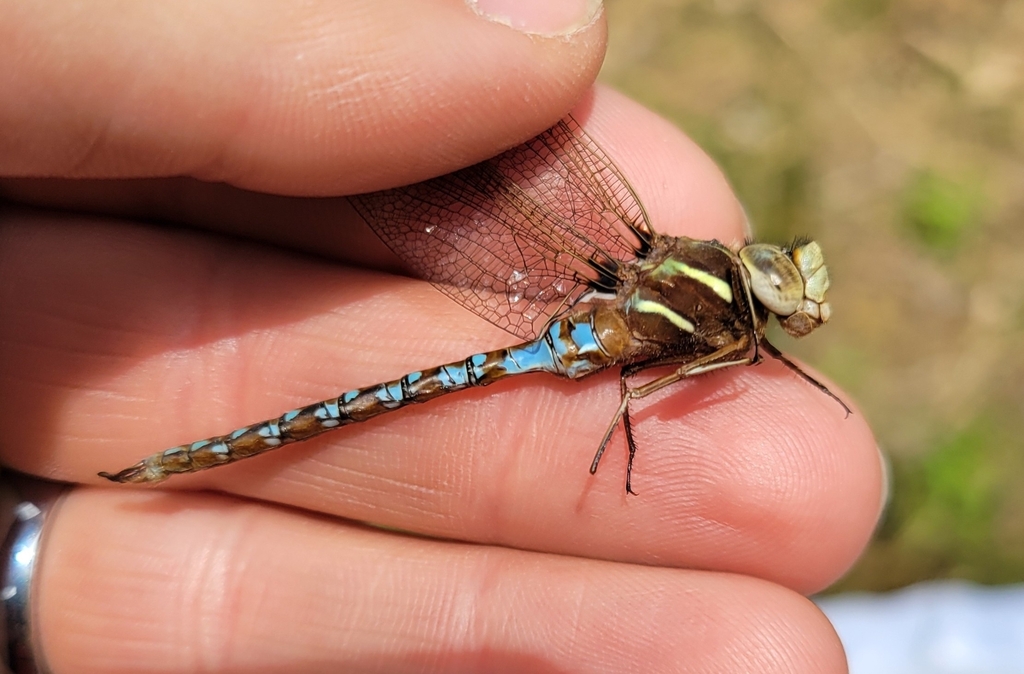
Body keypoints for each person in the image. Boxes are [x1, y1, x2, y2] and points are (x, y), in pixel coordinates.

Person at [0, 1, 884, 671]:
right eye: (783, 281)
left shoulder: (704, 292)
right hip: (580, 334)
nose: (787, 291)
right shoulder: (727, 320)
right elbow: (702, 362)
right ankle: (172, 464)